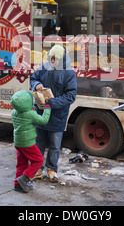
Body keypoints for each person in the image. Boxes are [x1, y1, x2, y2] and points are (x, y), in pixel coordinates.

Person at [30, 44, 77, 183]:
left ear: (62, 59)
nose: (52, 61)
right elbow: (33, 79)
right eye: (50, 58)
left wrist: (52, 103)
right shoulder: (43, 67)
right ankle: (37, 169)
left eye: (55, 59)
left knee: (55, 145)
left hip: (57, 116)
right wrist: (36, 84)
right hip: (40, 113)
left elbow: (70, 96)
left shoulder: (69, 73)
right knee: (38, 143)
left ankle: (52, 169)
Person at [10, 90, 51, 193]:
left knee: (21, 164)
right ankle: (25, 178)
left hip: (18, 142)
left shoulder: (14, 112)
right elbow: (43, 120)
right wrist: (47, 109)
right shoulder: (30, 114)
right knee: (38, 160)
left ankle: (18, 185)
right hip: (28, 143)